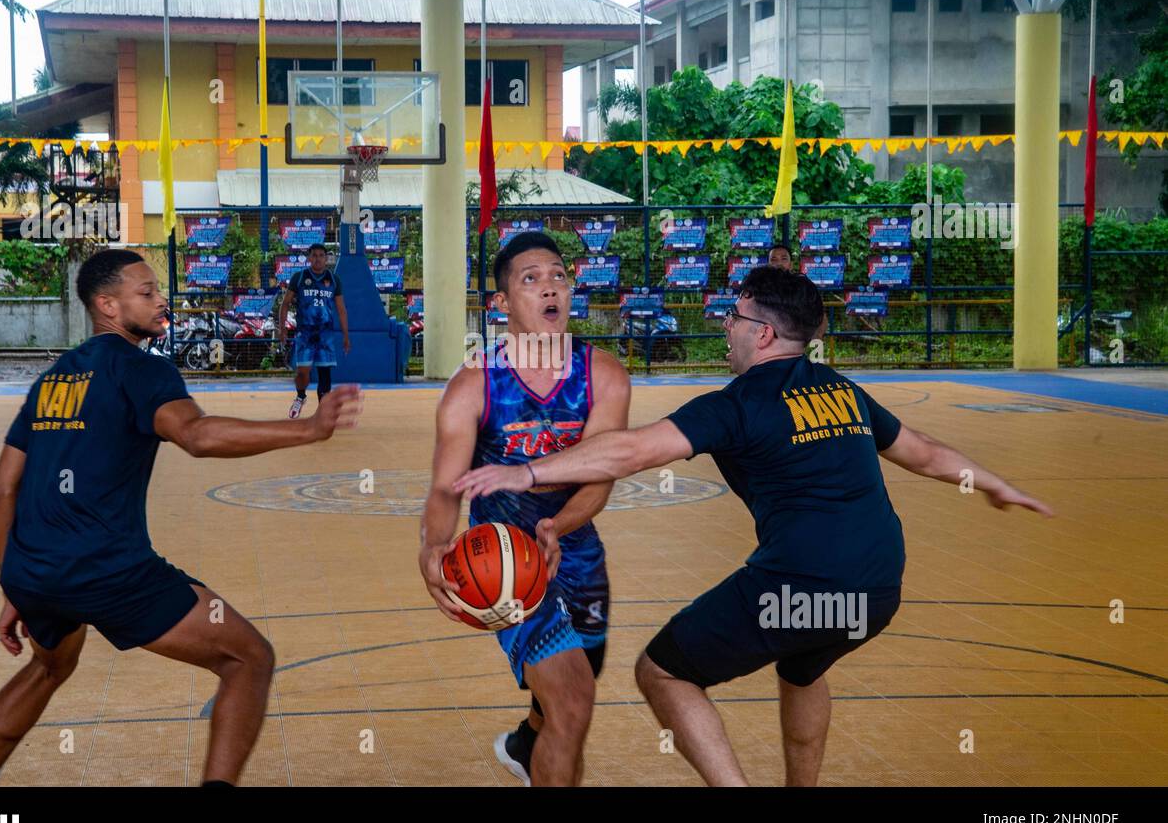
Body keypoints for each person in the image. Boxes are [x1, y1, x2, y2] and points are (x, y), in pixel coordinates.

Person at [454, 265, 1052, 787]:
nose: (726, 327)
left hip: (799, 586)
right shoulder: (842, 391)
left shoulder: (733, 405)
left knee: (663, 670)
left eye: (735, 317)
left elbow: (628, 451)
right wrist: (990, 481)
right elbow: (921, 451)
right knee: (804, 667)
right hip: (876, 591)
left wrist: (527, 473)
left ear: (762, 332)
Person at [0, 249, 363, 787]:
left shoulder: (53, 379)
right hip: (108, 572)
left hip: (37, 570)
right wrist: (306, 430)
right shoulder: (142, 369)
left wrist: (16, 582)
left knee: (49, 667)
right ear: (107, 305)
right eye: (145, 293)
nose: (159, 300)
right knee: (249, 659)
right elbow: (196, 435)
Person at [419, 232, 630, 786]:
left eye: (558, 275)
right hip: (505, 567)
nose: (549, 288)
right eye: (530, 279)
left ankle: (524, 742)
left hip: (577, 555)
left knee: (569, 692)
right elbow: (446, 488)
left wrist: (559, 525)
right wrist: (434, 547)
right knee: (574, 703)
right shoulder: (474, 386)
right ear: (502, 303)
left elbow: (599, 476)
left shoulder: (603, 375)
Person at [278, 243, 349, 418]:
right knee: (303, 372)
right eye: (314, 255)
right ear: (309, 258)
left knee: (325, 373)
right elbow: (285, 303)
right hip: (305, 333)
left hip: (325, 334)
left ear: (326, 258)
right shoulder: (299, 277)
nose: (317, 258)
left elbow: (341, 309)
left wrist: (346, 335)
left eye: (321, 255)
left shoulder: (333, 280)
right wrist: (282, 328)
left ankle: (323, 411)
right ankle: (300, 396)